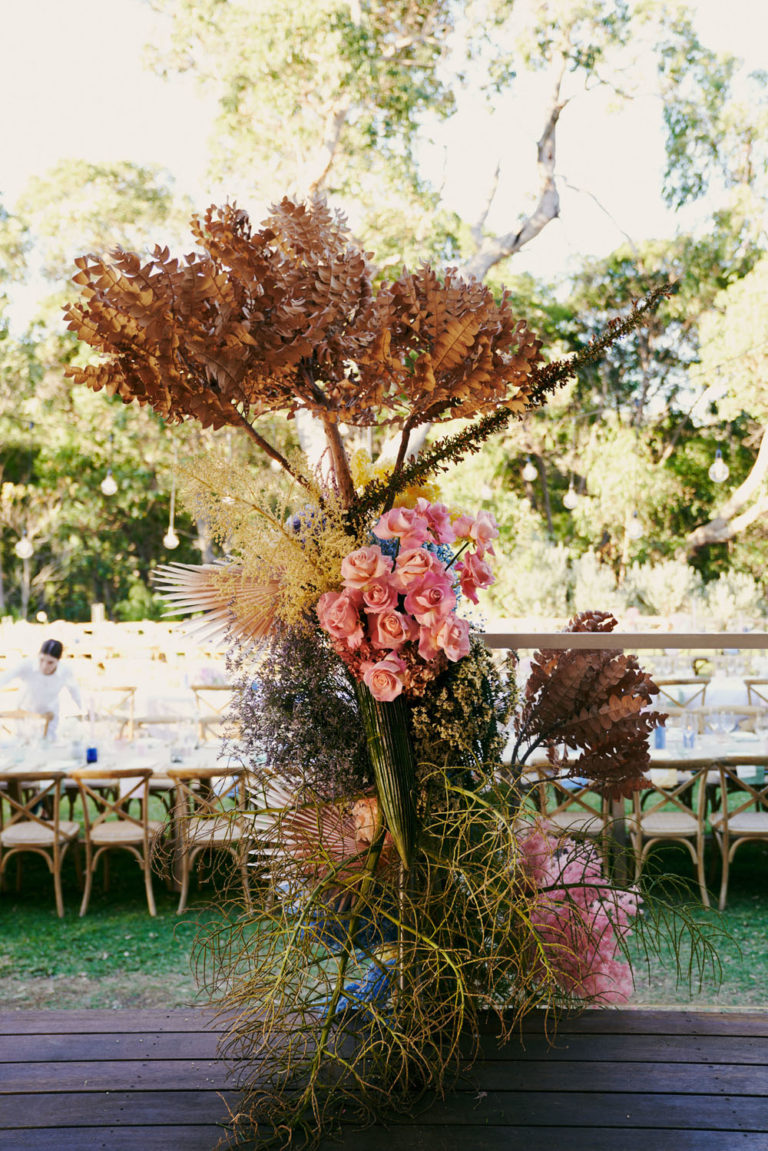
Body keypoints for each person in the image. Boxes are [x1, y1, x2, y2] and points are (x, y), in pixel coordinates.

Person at [0, 638, 83, 739]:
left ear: (58, 661)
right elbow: (5, 677)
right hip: (25, 714)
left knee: (47, 746)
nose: (44, 666)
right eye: (42, 660)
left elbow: (75, 691)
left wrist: (84, 710)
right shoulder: (27, 665)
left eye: (50, 662)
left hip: (49, 715)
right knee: (23, 746)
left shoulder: (65, 671)